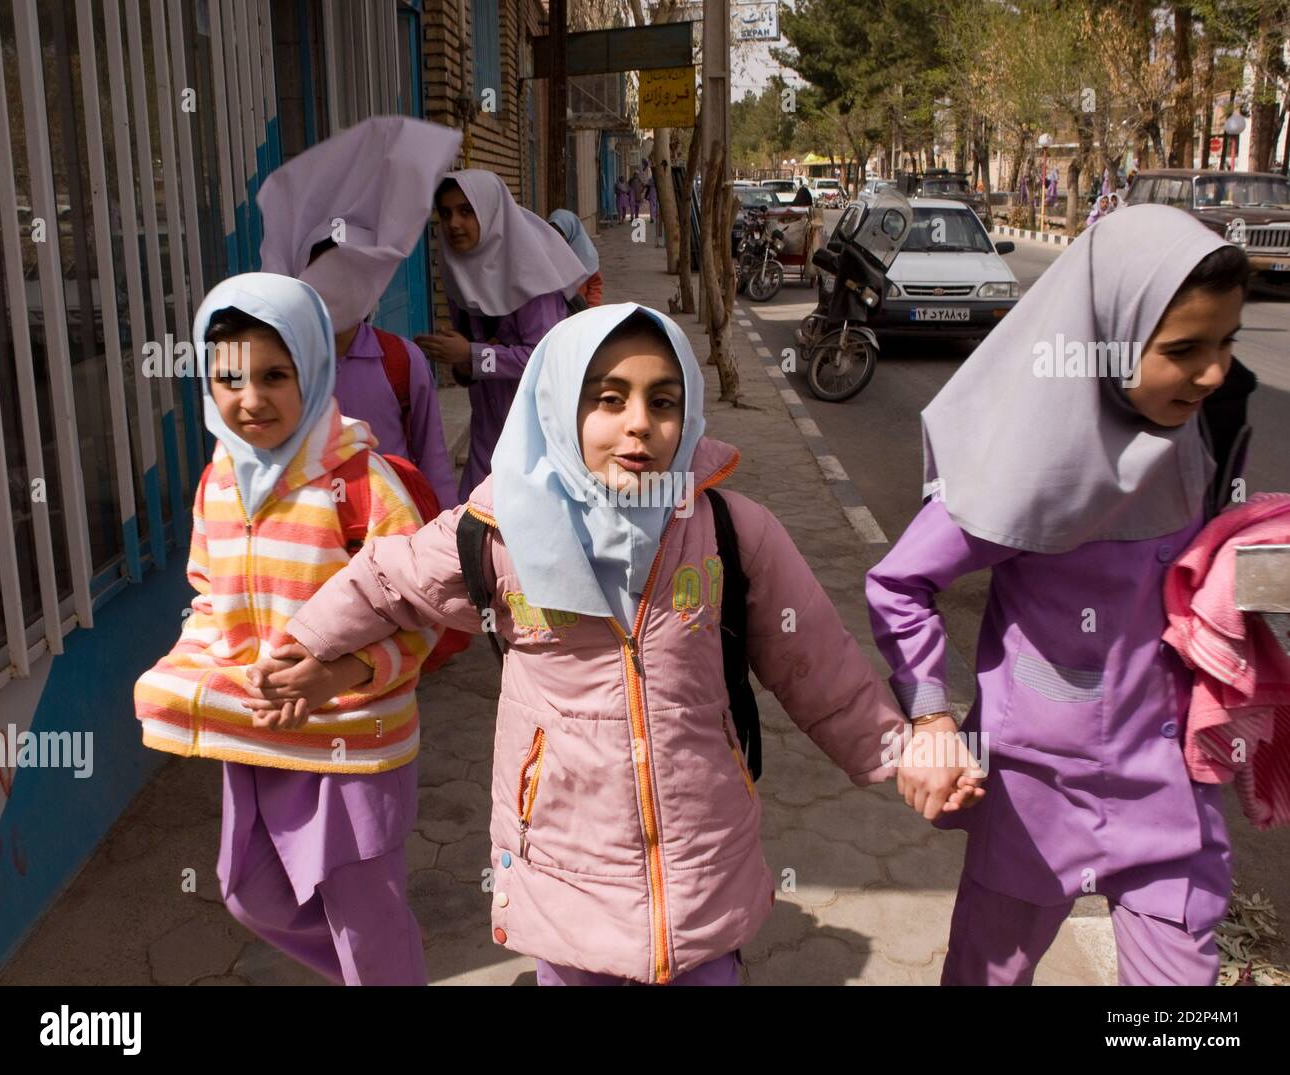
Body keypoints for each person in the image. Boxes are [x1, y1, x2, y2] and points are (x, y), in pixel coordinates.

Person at [265, 303, 981, 986]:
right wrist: (307, 643)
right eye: (608, 399)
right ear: (560, 407)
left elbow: (818, 665)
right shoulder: (496, 533)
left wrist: (903, 748)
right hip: (561, 872)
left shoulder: (731, 530)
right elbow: (385, 578)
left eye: (663, 402)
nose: (639, 424)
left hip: (702, 875)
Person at [866, 205, 1254, 986]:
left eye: (1225, 344)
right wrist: (932, 717)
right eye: (1184, 351)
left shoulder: (1208, 436)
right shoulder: (1025, 464)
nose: (1213, 373)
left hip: (1172, 789)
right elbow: (900, 583)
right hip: (1035, 797)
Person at [133, 274, 435, 985]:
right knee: (249, 892)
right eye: (230, 378)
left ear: (314, 369)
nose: (251, 398)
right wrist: (190, 679)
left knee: (367, 920)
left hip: (356, 744)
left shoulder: (362, 483)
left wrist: (339, 671)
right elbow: (209, 598)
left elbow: (424, 610)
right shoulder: (219, 480)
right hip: (260, 736)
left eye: (276, 374)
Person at [257, 115, 461, 508]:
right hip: (309, 540)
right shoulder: (281, 365)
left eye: (353, 270)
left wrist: (446, 536)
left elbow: (433, 460)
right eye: (325, 271)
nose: (337, 288)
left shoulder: (402, 361)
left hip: (390, 535)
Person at [417, 170, 587, 500]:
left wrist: (472, 355)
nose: (453, 223)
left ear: (490, 212)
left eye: (467, 211)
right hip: (488, 426)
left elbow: (543, 356)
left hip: (539, 429)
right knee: (476, 520)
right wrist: (462, 361)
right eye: (446, 212)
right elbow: (472, 356)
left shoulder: (530, 274)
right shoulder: (458, 270)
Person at [549, 208, 604, 307]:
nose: (557, 238)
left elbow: (595, 286)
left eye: (561, 234)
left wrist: (591, 309)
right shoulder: (545, 254)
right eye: (552, 233)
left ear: (570, 231)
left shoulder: (586, 256)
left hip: (580, 312)